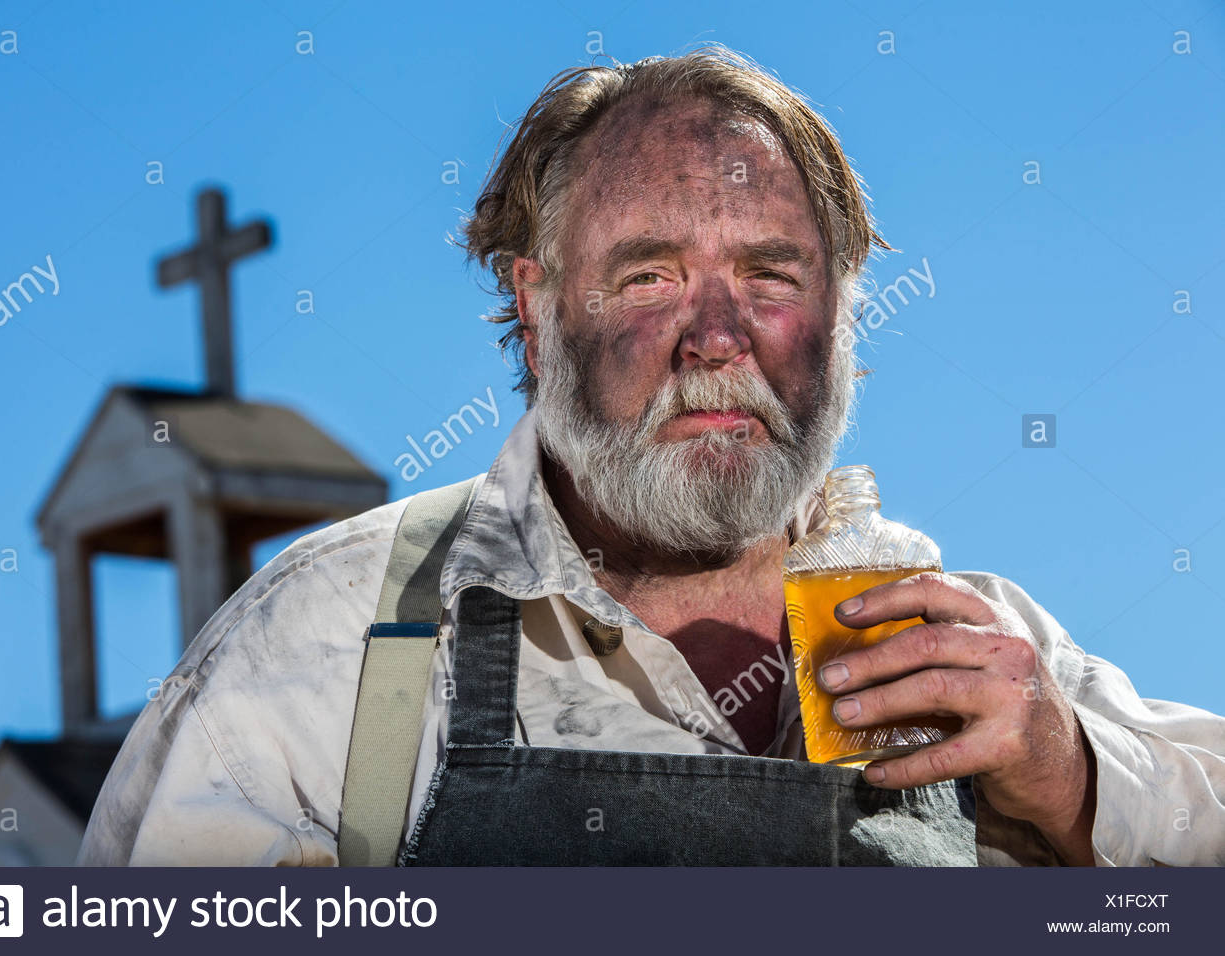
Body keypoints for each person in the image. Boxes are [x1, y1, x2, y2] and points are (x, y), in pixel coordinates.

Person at [77, 45, 1225, 867]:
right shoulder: (328, 642)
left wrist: (1074, 780)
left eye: (771, 278)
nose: (716, 339)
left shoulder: (972, 639)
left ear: (842, 317)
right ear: (533, 308)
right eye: (649, 277)